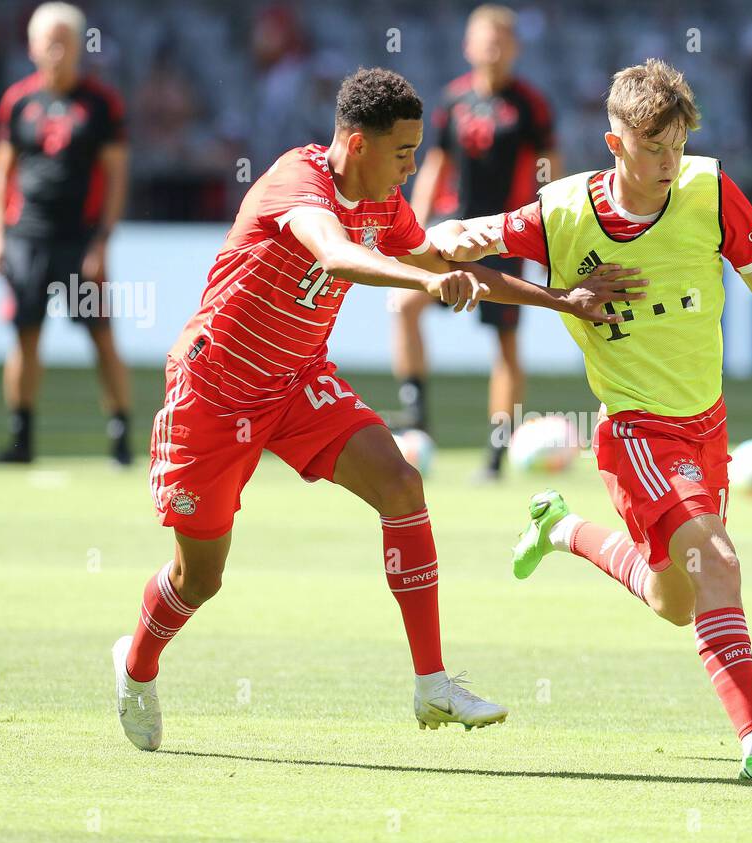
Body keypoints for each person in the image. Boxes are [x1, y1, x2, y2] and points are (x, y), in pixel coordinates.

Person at [112, 67, 633, 752]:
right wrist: (426, 279)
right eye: (402, 152)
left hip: (297, 384)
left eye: (417, 151)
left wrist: (562, 298)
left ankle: (433, 683)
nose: (413, 167)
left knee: (401, 483)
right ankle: (137, 666)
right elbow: (334, 257)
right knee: (199, 577)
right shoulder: (296, 184)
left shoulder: (386, 205)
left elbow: (449, 265)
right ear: (357, 145)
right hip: (215, 389)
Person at [428, 59, 752, 782]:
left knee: (676, 601)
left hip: (707, 425)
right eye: (654, 146)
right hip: (634, 430)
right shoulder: (562, 212)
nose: (670, 162)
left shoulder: (712, 193)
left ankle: (561, 529)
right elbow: (453, 249)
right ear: (615, 143)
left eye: (679, 145)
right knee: (720, 563)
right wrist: (543, 287)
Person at [391, 4, 560, 479]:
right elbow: (436, 167)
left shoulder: (531, 105)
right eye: (486, 38)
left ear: (515, 48)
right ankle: (416, 410)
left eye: (503, 40)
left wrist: (549, 228)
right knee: (404, 306)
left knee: (505, 343)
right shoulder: (452, 101)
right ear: (469, 46)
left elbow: (551, 168)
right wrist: (415, 225)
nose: (494, 47)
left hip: (506, 236)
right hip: (452, 229)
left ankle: (496, 452)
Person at [0, 2, 133, 465]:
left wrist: (103, 242)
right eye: (48, 40)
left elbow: (116, 177)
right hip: (26, 238)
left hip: (80, 240)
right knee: (25, 335)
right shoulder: (18, 102)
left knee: (100, 336)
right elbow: (1, 172)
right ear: (31, 47)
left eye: (65, 41)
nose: (56, 49)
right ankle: (20, 439)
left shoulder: (102, 104)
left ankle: (122, 438)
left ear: (80, 47)